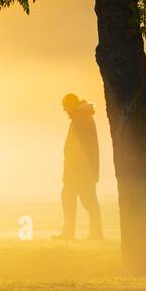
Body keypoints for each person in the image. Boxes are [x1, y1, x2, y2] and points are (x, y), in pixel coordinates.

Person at [58, 92, 103, 241]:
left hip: (80, 170)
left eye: (65, 108)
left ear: (71, 105)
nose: (65, 111)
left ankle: (76, 233)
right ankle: (91, 233)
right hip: (81, 169)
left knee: (85, 200)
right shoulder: (81, 117)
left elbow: (81, 147)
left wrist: (73, 168)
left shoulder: (81, 119)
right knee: (81, 199)